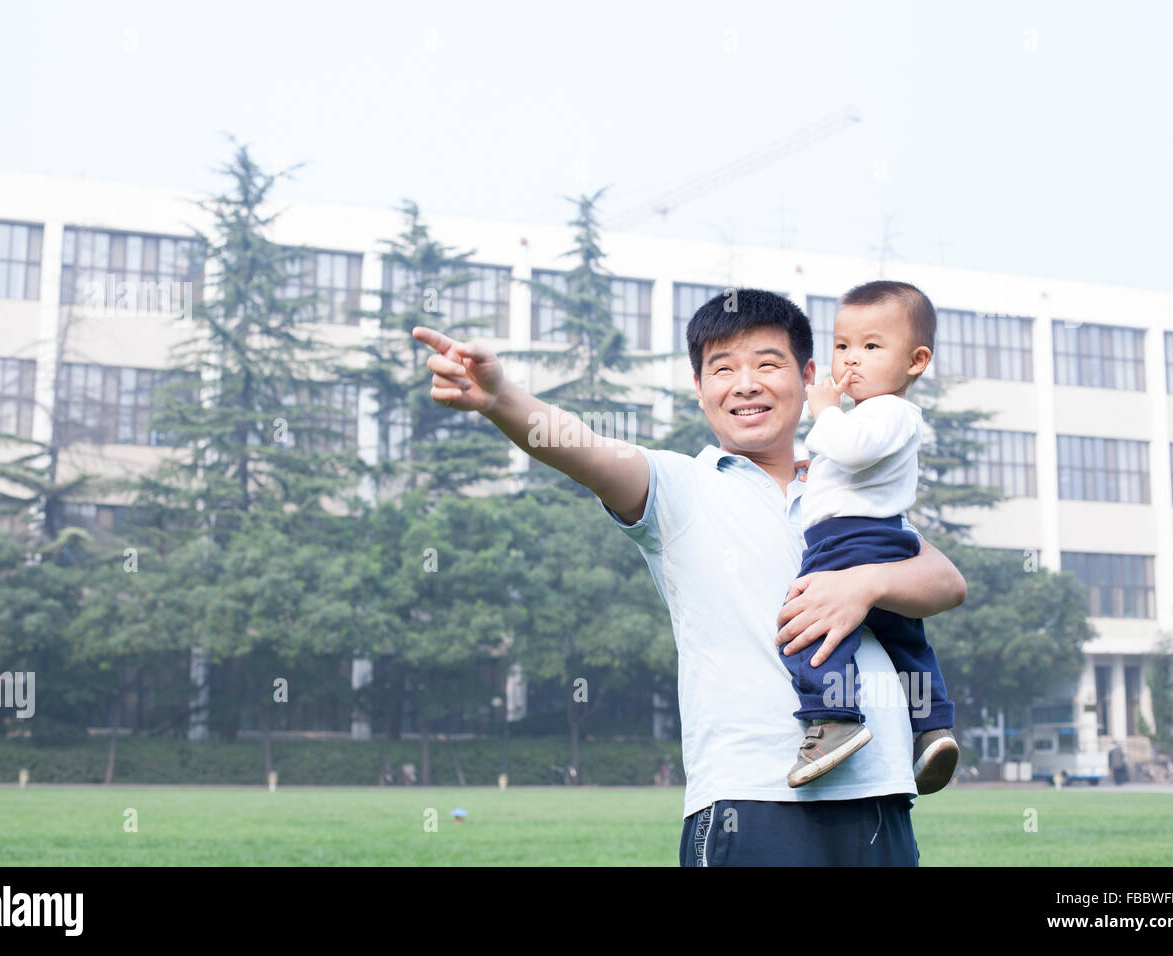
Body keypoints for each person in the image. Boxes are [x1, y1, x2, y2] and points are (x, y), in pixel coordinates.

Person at [413, 287, 967, 866]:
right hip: (750, 797)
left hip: (878, 795)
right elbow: (585, 449)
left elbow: (946, 582)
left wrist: (864, 587)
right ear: (700, 390)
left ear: (809, 375)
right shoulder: (681, 486)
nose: (745, 384)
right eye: (722, 369)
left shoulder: (848, 487)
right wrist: (501, 397)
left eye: (767, 364)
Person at [782, 281, 958, 794]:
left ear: (916, 360)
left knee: (808, 626)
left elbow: (853, 451)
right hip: (885, 540)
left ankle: (833, 718)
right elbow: (850, 469)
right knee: (905, 640)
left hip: (847, 543)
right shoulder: (882, 418)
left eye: (871, 346)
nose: (851, 360)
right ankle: (932, 730)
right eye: (841, 346)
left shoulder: (884, 412)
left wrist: (824, 409)